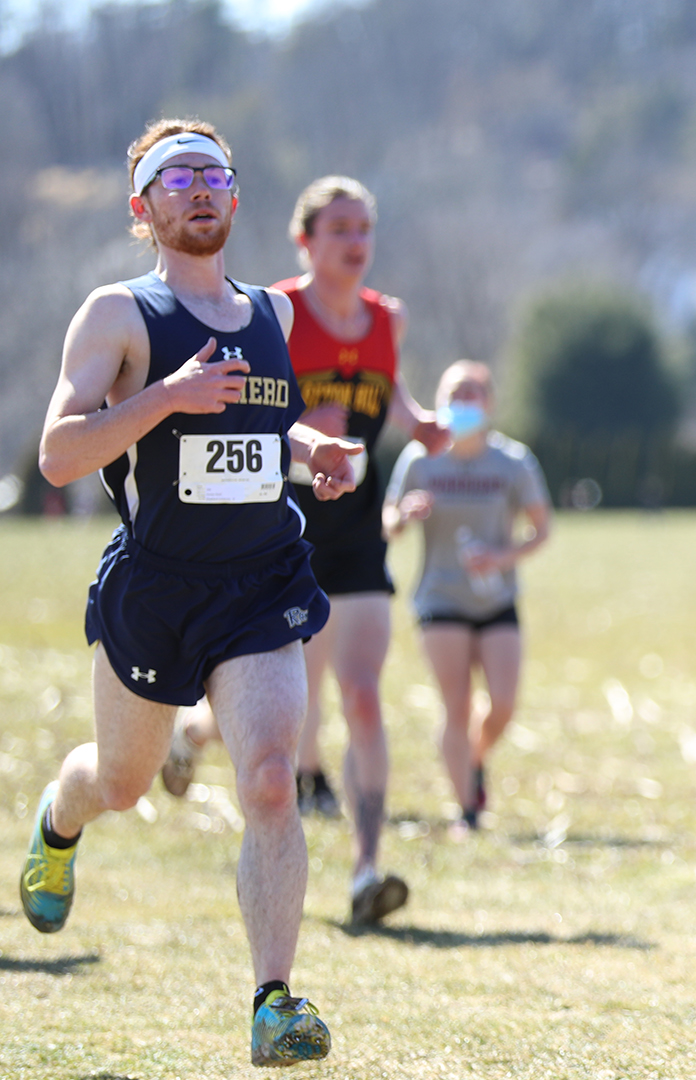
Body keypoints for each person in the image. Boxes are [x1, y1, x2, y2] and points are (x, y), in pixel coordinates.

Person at [20, 119, 363, 1067]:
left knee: (267, 779)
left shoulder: (273, 315)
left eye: (215, 173)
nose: (200, 189)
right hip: (158, 589)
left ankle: (272, 1002)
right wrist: (164, 396)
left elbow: (260, 428)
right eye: (176, 179)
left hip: (260, 584)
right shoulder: (117, 315)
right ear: (144, 209)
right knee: (124, 784)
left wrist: (311, 451)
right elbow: (57, 452)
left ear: (237, 195)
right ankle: (60, 815)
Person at [161, 176, 446, 927]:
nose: (356, 241)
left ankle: (365, 869)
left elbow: (388, 389)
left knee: (360, 693)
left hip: (355, 533)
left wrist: (418, 423)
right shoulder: (272, 313)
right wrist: (303, 426)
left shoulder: (389, 319)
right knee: (286, 708)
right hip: (282, 530)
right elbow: (246, 408)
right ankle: (194, 730)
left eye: (365, 228)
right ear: (305, 241)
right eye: (340, 228)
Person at [383, 362, 550, 832]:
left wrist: (501, 556)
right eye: (455, 393)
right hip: (441, 599)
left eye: (474, 394)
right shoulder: (421, 459)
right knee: (455, 705)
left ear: (490, 404)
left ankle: (474, 755)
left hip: (497, 600)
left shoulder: (513, 462)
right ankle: (467, 809)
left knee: (503, 704)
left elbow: (542, 530)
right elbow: (388, 522)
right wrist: (405, 515)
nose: (464, 403)